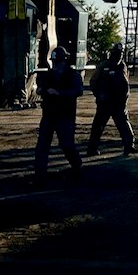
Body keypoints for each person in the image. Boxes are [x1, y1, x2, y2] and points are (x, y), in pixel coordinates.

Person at [33, 45, 84, 187]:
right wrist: (42, 90)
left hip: (65, 116)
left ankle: (77, 166)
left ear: (65, 61)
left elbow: (78, 91)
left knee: (67, 145)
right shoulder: (49, 74)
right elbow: (40, 88)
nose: (56, 65)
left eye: (58, 62)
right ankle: (40, 176)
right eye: (54, 63)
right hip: (49, 115)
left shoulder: (73, 75)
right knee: (42, 146)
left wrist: (60, 93)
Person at [86, 43, 135, 157]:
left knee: (124, 125)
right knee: (98, 126)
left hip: (119, 102)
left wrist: (124, 100)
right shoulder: (103, 66)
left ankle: (129, 146)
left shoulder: (122, 66)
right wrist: (99, 95)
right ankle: (92, 149)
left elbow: (125, 85)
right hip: (105, 102)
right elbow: (93, 82)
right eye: (118, 53)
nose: (119, 55)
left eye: (121, 53)